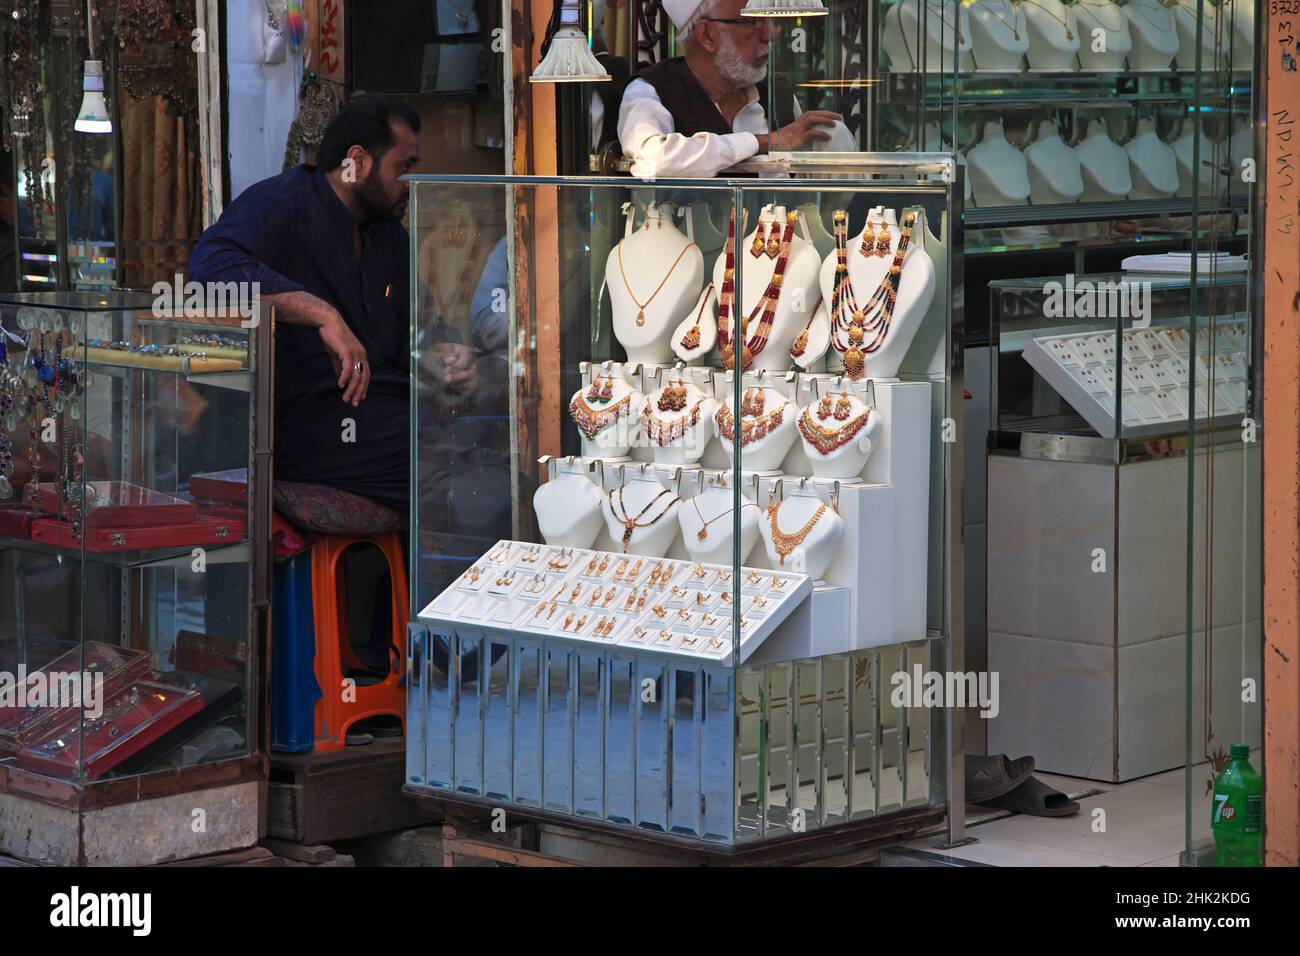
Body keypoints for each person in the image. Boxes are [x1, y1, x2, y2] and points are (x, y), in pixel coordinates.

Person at [189, 94, 475, 511]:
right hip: (304, 428)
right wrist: (320, 313)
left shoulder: (385, 233)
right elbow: (208, 274)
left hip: (383, 411)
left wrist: (446, 350)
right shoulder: (284, 203)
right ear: (357, 161)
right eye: (404, 168)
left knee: (481, 445)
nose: (411, 182)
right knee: (446, 476)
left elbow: (423, 321)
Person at [617, 0, 842, 178]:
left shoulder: (776, 93)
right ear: (707, 35)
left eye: (768, 20)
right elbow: (654, 158)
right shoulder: (650, 91)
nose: (769, 34)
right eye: (752, 21)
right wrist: (764, 142)